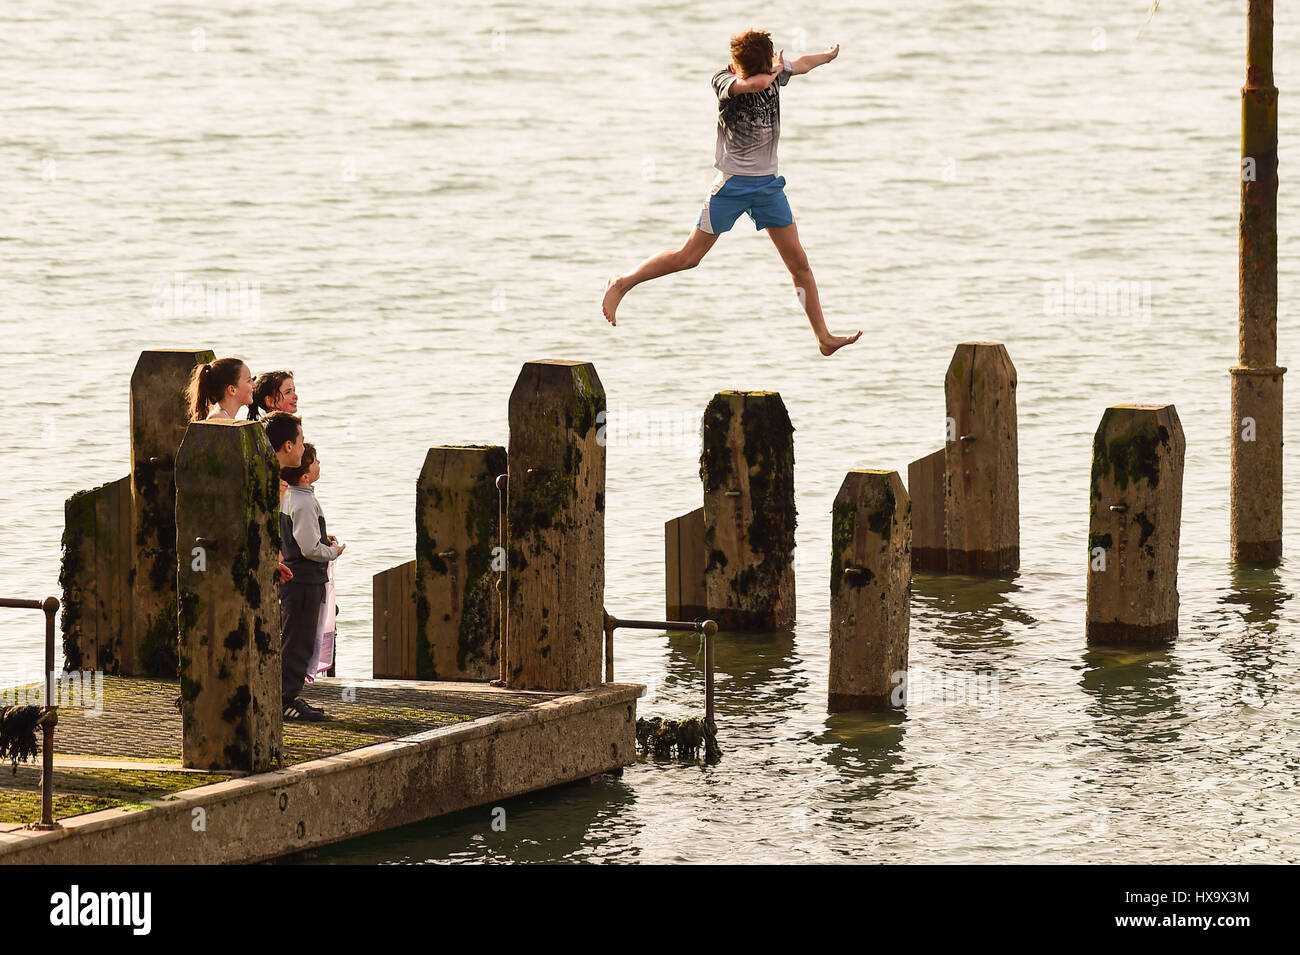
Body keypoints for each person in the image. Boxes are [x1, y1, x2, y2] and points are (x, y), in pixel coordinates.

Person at [602, 30, 861, 357]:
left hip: (768, 187)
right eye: (768, 69)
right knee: (688, 258)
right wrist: (774, 71)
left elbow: (802, 64)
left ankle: (822, 337)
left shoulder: (774, 74)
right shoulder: (724, 82)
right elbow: (752, 85)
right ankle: (623, 282)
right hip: (732, 186)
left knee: (799, 264)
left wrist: (825, 56)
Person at [279, 442, 343, 721]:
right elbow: (308, 549)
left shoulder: (295, 496)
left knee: (297, 638)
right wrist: (332, 552)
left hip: (299, 580)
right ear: (304, 474)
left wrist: (321, 540)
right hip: (304, 581)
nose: (319, 465)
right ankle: (286, 699)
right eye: (315, 462)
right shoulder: (303, 501)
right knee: (299, 641)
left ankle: (287, 695)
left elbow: (302, 537)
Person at [264, 411, 303, 586]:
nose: (303, 448)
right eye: (301, 442)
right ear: (288, 446)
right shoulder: (266, 482)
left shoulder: (270, 475)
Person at [185, 357, 254, 421]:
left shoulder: (224, 417)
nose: (254, 385)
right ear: (232, 390)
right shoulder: (219, 420)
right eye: (248, 381)